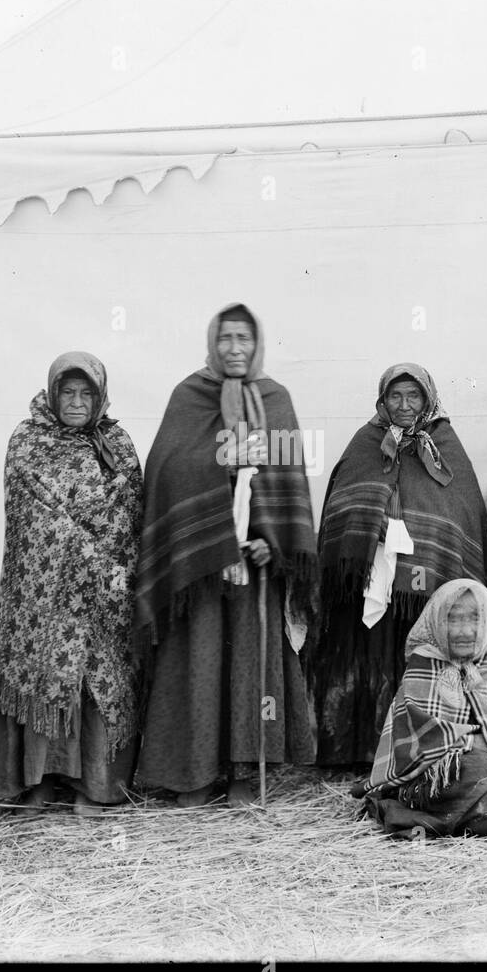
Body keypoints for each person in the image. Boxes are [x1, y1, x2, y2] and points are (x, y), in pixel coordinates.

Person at [133, 304, 318, 807]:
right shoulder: (188, 396)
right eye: (226, 339)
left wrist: (271, 543)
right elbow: (169, 471)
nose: (235, 349)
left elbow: (288, 482)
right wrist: (220, 461)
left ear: (258, 345)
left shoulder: (275, 400)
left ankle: (242, 775)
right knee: (198, 662)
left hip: (256, 569)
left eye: (246, 339)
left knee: (249, 671)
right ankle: (190, 775)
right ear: (211, 343)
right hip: (202, 565)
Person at [0, 353, 143, 816]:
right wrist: (87, 551)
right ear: (52, 394)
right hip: (42, 592)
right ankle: (36, 782)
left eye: (85, 393)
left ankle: (95, 785)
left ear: (100, 397)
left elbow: (127, 511)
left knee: (96, 681)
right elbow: (32, 517)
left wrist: (103, 563)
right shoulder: (27, 440)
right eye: (67, 392)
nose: (75, 401)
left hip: (102, 596)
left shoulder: (118, 443)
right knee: (43, 671)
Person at [313, 363, 487, 768]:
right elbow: (342, 504)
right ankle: (359, 754)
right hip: (372, 585)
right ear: (382, 400)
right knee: (370, 659)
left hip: (425, 594)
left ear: (427, 399)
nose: (404, 405)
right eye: (395, 396)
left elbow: (459, 511)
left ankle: (419, 751)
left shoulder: (443, 443)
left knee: (415, 659)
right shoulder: (366, 441)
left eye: (413, 396)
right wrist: (367, 526)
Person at [351, 579, 487, 838]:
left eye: (474, 619)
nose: (464, 631)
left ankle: (463, 817)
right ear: (437, 621)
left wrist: (484, 744)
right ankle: (447, 815)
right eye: (453, 619)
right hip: (436, 772)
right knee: (477, 776)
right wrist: (469, 743)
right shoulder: (425, 661)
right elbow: (414, 737)